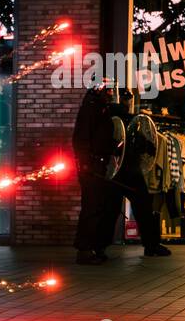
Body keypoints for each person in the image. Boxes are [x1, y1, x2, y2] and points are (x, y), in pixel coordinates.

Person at [72, 80, 128, 264]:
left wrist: (114, 148)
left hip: (100, 163)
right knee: (92, 207)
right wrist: (85, 163)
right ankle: (85, 249)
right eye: (108, 90)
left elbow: (101, 138)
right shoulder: (91, 109)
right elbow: (81, 139)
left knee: (104, 206)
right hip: (92, 165)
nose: (111, 93)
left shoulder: (101, 109)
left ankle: (97, 246)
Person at [114, 111, 171, 256]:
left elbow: (149, 148)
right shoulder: (126, 126)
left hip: (123, 171)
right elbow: (149, 148)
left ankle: (96, 246)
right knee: (142, 209)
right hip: (127, 171)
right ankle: (152, 244)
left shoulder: (118, 123)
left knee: (138, 208)